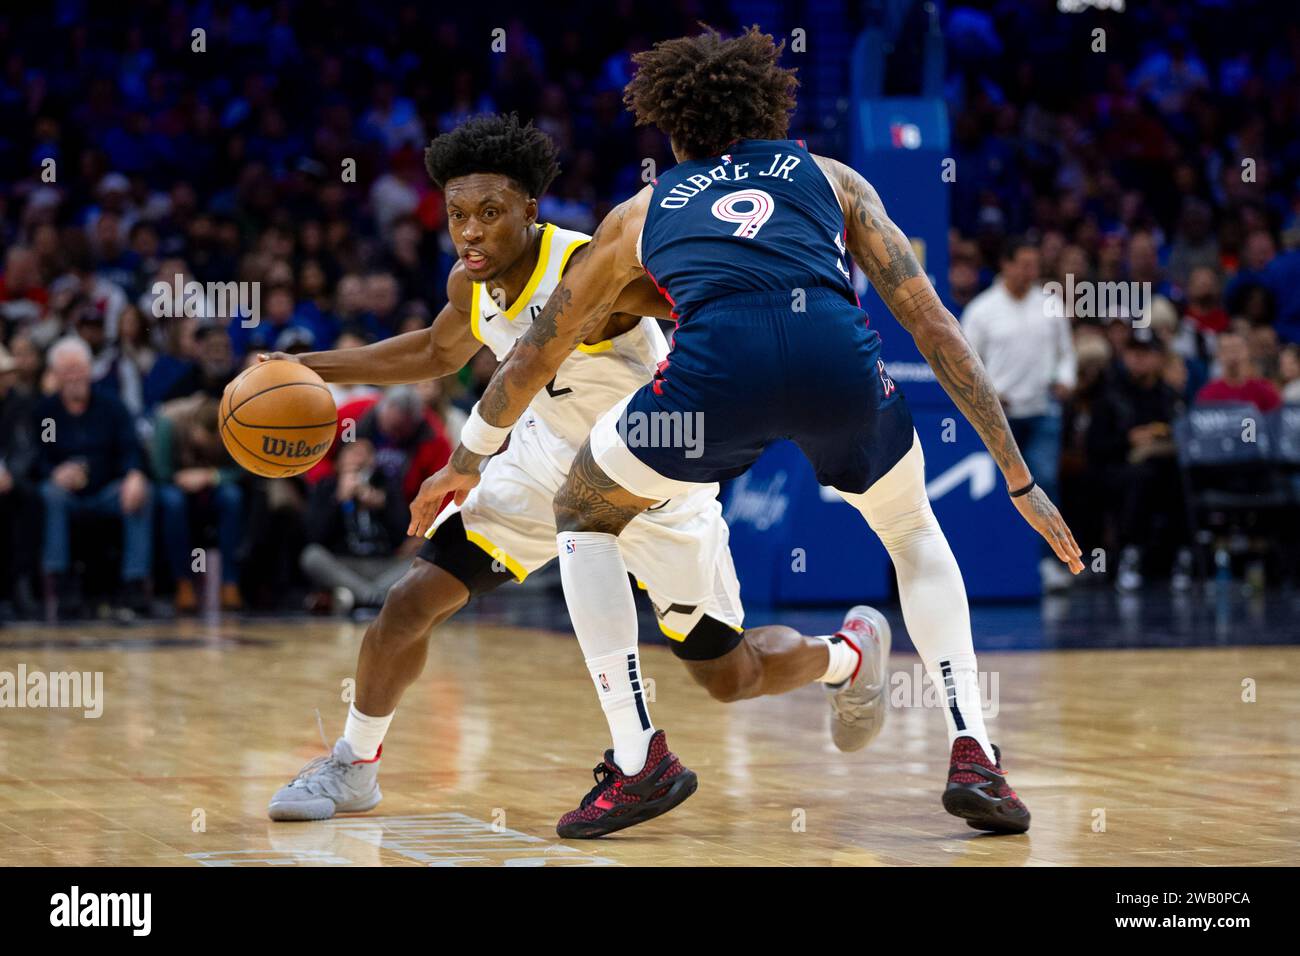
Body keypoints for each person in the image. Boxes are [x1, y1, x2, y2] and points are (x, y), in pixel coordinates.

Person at [415, 28, 1083, 836]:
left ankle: (638, 762)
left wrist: (465, 463)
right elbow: (937, 330)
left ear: (672, 128)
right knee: (911, 533)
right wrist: (1020, 478)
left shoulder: (637, 213)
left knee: (583, 512)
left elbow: (529, 359)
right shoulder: (833, 178)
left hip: (714, 384)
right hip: (839, 367)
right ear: (767, 111)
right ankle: (975, 748)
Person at [264, 114, 892, 836]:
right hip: (542, 467)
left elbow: (693, 297)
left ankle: (847, 656)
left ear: (531, 211)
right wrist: (309, 368)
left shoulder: (590, 268)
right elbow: (439, 351)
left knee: (730, 676)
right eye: (457, 215)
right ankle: (354, 765)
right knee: (408, 604)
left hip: (653, 483)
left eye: (490, 214)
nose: (470, 232)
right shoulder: (471, 283)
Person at [962, 239, 1077, 591]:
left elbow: (1067, 354)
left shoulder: (1050, 303)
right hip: (999, 417)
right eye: (1024, 264)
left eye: (1034, 265)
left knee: (1044, 481)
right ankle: (1001, 563)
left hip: (1043, 411)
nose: (1031, 272)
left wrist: (1065, 379)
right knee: (1001, 489)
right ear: (1006, 265)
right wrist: (988, 394)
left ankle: (1047, 562)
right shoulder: (981, 310)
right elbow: (966, 362)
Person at [35, 335, 153, 618]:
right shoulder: (47, 414)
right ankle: (60, 585)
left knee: (141, 492)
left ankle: (134, 584)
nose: (74, 376)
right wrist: (56, 473)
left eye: (79, 368)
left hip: (106, 491)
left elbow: (130, 448)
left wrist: (134, 475)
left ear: (90, 370)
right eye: (67, 370)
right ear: (56, 376)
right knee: (50, 494)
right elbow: (36, 458)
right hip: (66, 495)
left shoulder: (111, 407)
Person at [1196, 330, 1282, 413]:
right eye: (1226, 350)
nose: (1232, 355)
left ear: (1247, 351)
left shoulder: (1264, 390)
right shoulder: (1208, 393)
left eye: (1237, 349)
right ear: (1218, 354)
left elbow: (1277, 420)